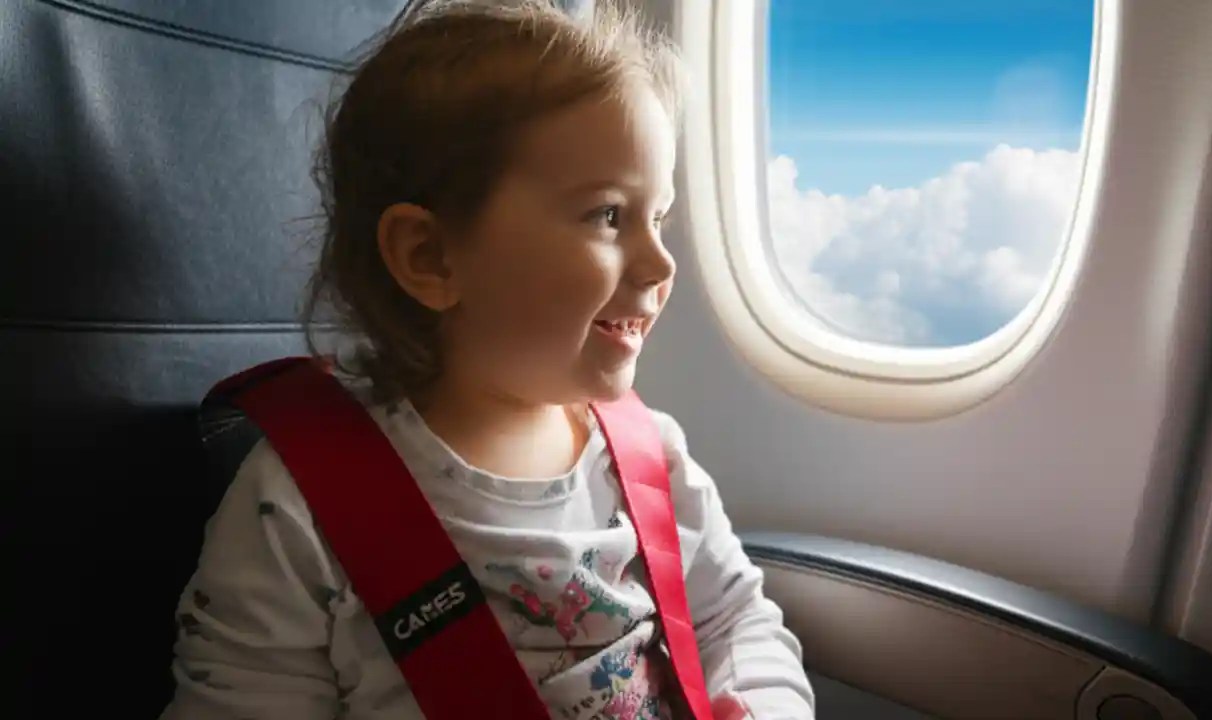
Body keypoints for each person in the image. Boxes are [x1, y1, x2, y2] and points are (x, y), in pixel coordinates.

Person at [160, 1, 814, 718]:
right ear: (431, 257)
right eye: (607, 215)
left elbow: (735, 622)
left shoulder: (649, 457)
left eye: (656, 216)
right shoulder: (297, 507)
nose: (660, 262)